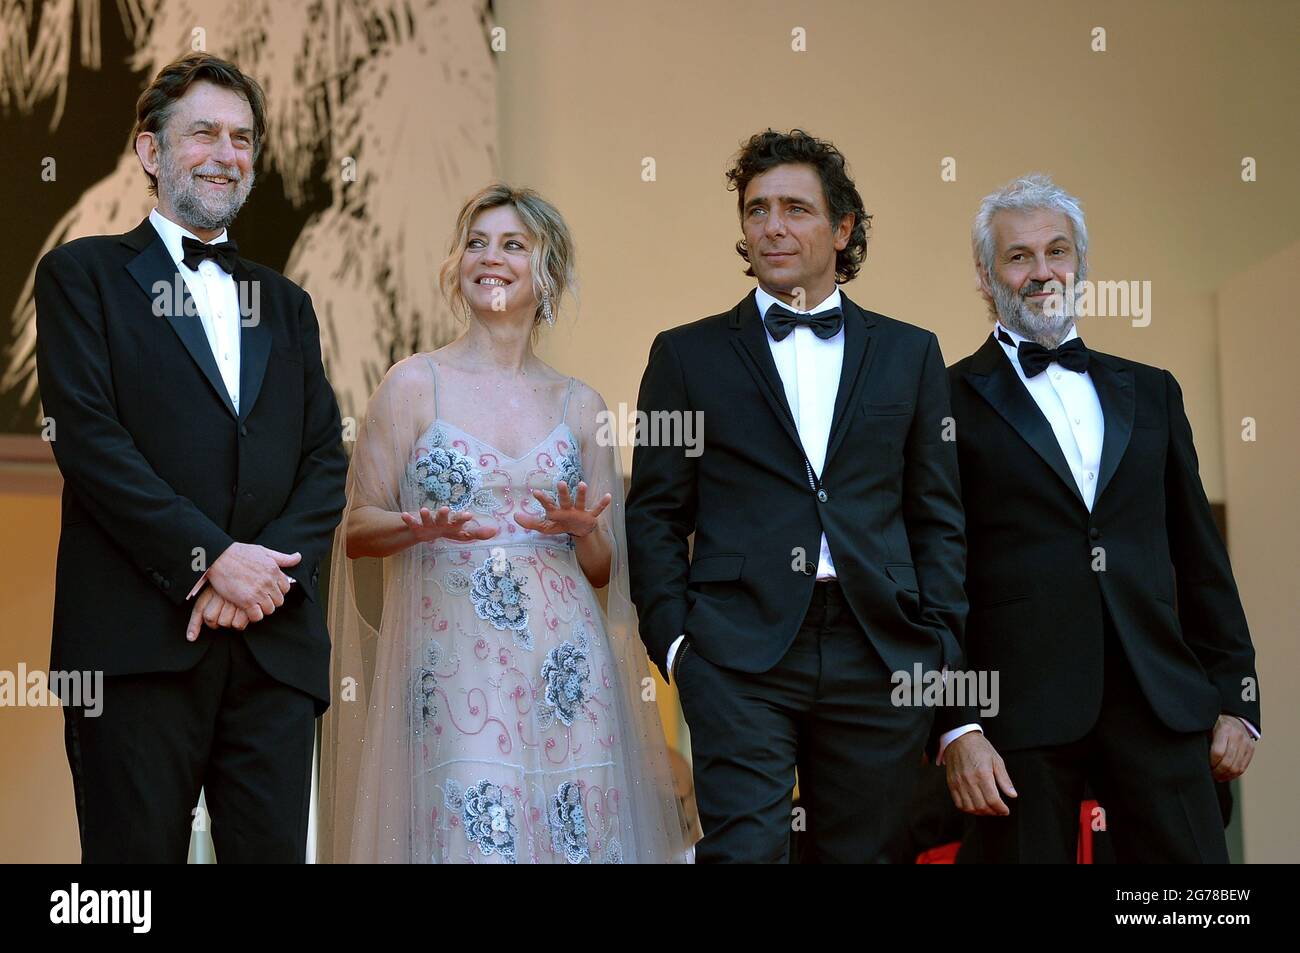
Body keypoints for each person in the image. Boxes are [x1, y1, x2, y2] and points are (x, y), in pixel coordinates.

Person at [34, 52, 348, 862]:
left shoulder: (288, 304)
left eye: (243, 138)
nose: (227, 153)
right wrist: (211, 563)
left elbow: (323, 460)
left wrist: (261, 578)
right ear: (150, 151)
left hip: (273, 652)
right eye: (203, 131)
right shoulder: (81, 275)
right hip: (136, 647)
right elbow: (92, 443)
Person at [320, 184, 690, 863]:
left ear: (547, 270)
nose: (490, 257)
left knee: (574, 835)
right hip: (456, 662)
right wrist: (414, 525)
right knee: (474, 832)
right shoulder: (412, 385)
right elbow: (355, 528)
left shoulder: (579, 404)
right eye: (476, 243)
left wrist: (584, 529)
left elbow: (606, 570)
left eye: (513, 244)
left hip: (566, 664)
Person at [626, 129, 968, 863]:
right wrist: (679, 647)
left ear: (842, 229)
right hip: (736, 653)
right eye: (756, 210)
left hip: (879, 650)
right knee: (745, 852)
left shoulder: (912, 352)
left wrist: (937, 644)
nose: (772, 225)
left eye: (795, 208)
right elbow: (655, 511)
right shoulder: (684, 354)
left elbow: (937, 515)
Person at [944, 173, 1260, 862]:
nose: (1041, 271)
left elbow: (1201, 558)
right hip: (1018, 715)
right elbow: (937, 577)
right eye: (1018, 256)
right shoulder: (942, 399)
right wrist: (956, 724)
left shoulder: (1151, 390)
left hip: (1160, 698)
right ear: (984, 273)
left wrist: (1238, 697)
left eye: (1057, 252)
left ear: (1080, 265)